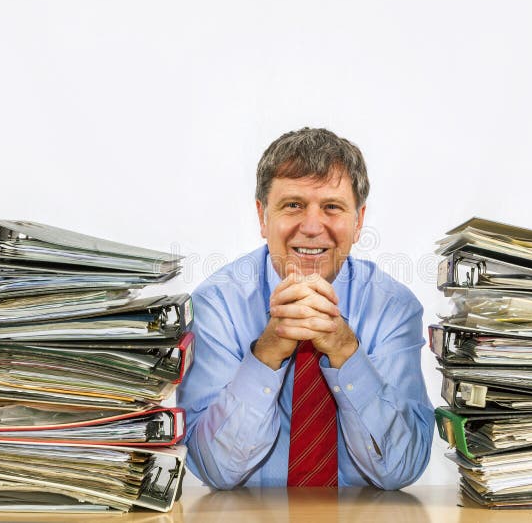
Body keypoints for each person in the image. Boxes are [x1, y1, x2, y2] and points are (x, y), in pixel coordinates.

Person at [177, 127, 434, 489]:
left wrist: (346, 350)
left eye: (332, 207)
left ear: (358, 221)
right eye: (293, 205)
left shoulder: (394, 309)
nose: (312, 227)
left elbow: (400, 468)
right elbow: (214, 469)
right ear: (262, 216)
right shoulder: (216, 304)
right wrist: (267, 352)